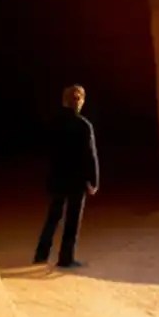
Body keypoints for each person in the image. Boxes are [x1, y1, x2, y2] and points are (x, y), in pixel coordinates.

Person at [33, 84, 100, 268]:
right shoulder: (83, 125)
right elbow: (90, 155)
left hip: (57, 176)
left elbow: (45, 150)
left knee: (53, 216)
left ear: (63, 101)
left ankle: (41, 254)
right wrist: (93, 181)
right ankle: (66, 258)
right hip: (77, 180)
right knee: (72, 220)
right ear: (81, 102)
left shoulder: (53, 123)